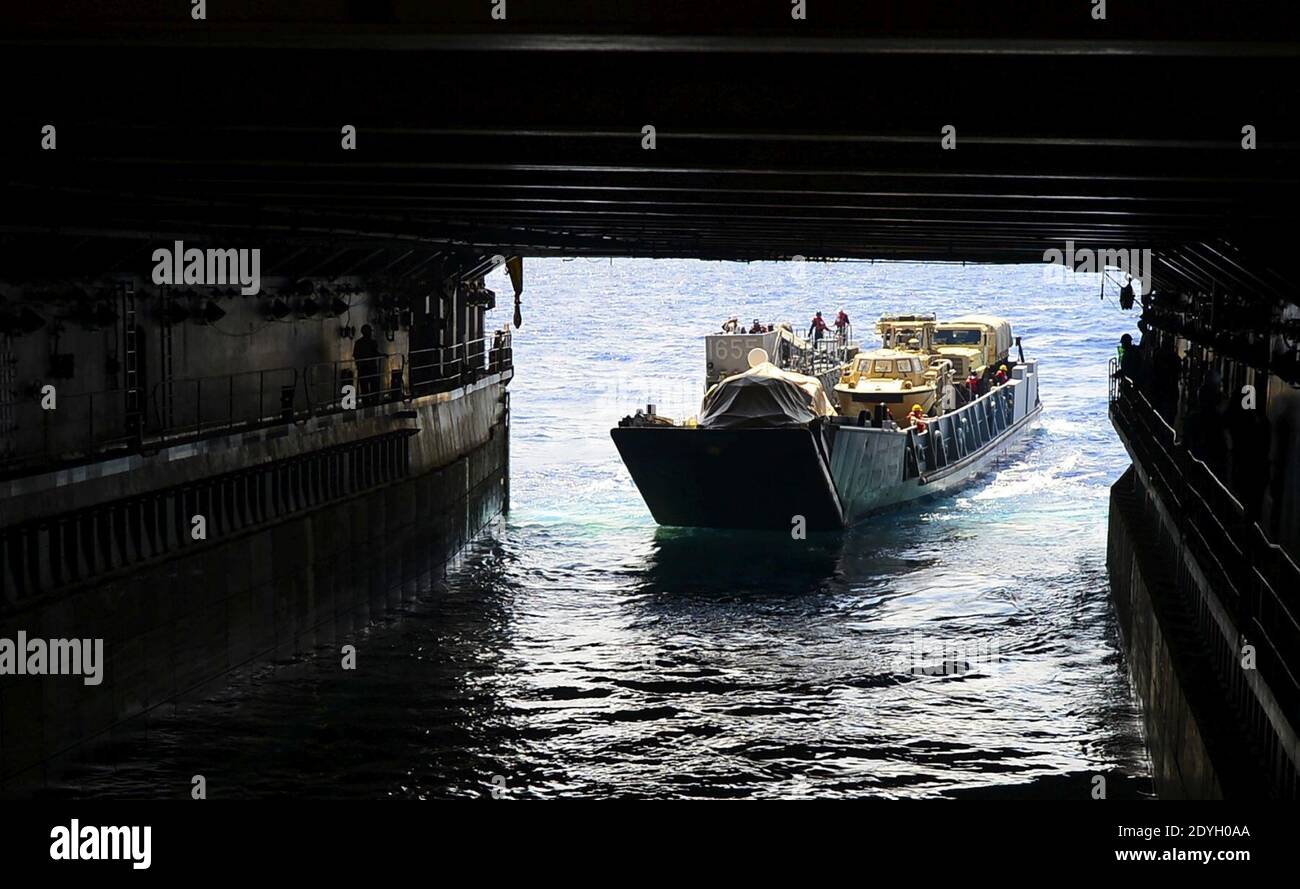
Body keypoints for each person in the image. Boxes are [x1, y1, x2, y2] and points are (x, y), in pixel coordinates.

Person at [352, 324, 383, 403]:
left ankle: (366, 402)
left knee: (364, 387)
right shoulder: (372, 342)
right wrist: (383, 355)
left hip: (362, 368)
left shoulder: (358, 343)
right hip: (371, 367)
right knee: (374, 385)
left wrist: (358, 365)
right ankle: (374, 400)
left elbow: (356, 355)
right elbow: (375, 353)